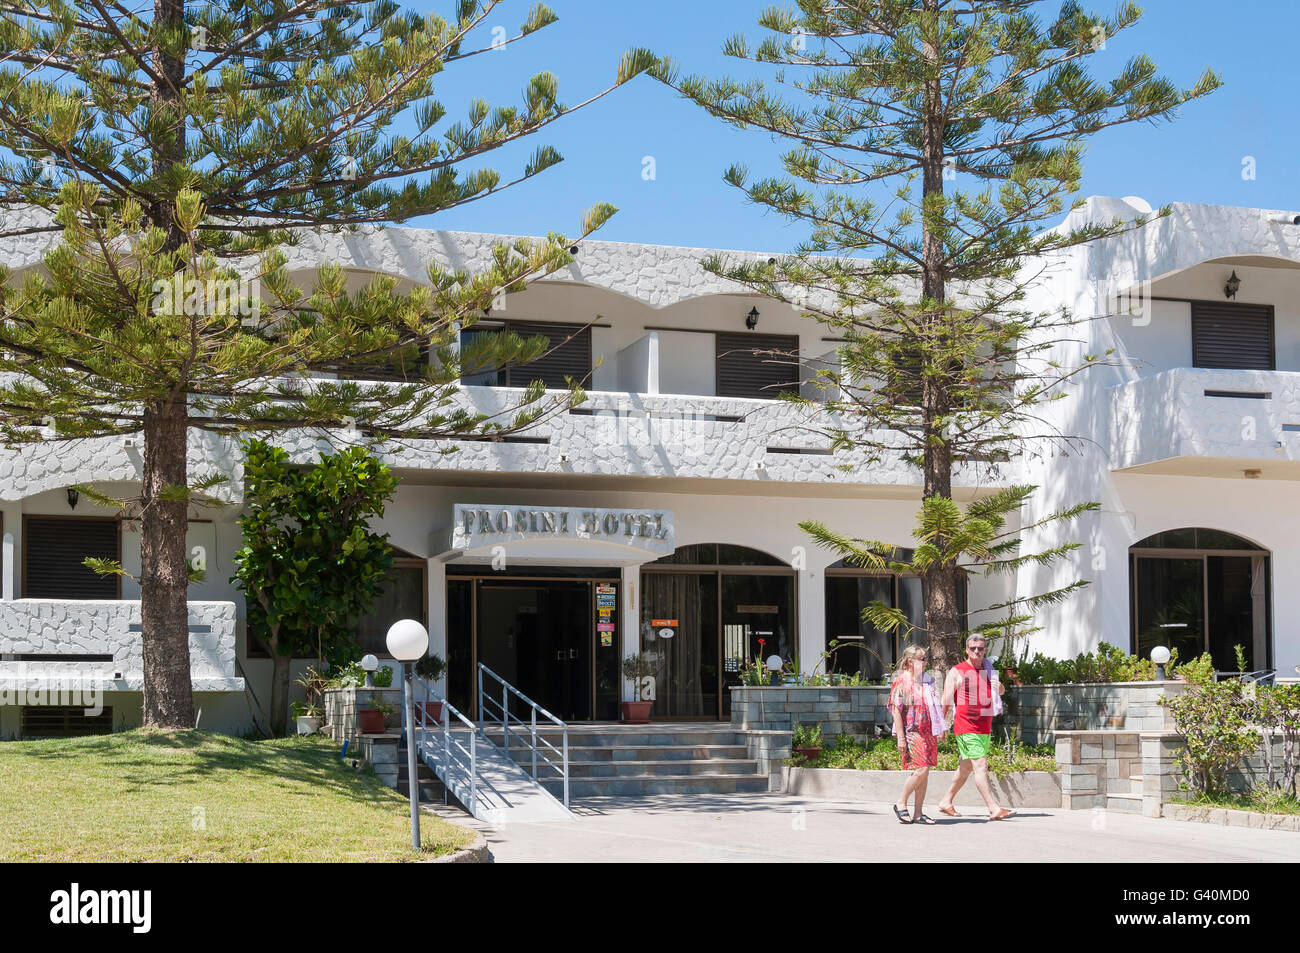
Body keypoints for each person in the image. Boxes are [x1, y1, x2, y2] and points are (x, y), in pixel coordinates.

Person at [936, 634, 1015, 820]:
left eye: (980, 648)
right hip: (966, 726)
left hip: (984, 727)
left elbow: (999, 693)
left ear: (985, 649)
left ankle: (946, 801)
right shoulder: (957, 671)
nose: (977, 651)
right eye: (973, 648)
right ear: (967, 650)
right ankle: (993, 808)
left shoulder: (988, 670)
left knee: (965, 768)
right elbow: (945, 701)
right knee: (980, 765)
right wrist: (940, 726)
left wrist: (1001, 688)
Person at [888, 644, 946, 825]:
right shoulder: (901, 681)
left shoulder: (927, 680)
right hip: (912, 731)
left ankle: (918, 813)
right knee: (921, 769)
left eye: (926, 658)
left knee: (925, 772)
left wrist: (940, 728)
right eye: (922, 659)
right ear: (909, 662)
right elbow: (896, 710)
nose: (926, 662)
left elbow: (935, 706)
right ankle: (901, 802)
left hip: (928, 731)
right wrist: (901, 738)